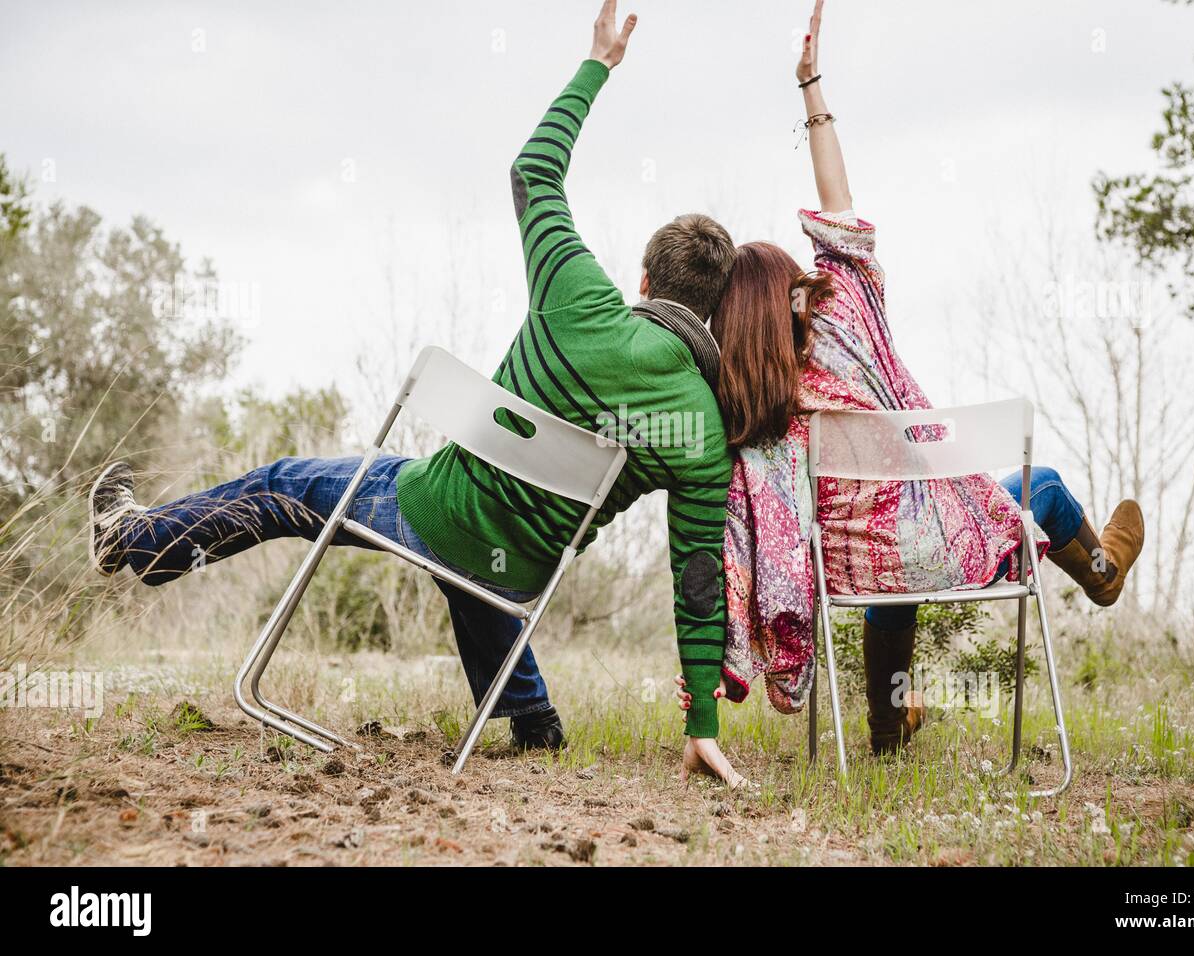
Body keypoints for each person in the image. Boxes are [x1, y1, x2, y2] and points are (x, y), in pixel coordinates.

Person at [88, 1, 746, 786]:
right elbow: (698, 581)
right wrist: (702, 728)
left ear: (642, 280)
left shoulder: (577, 291)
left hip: (437, 513)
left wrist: (597, 66)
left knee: (284, 484)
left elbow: (533, 170)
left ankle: (133, 541)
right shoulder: (703, 432)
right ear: (713, 310)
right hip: (521, 574)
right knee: (494, 544)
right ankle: (531, 717)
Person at [679, 0, 1145, 756]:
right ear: (796, 295)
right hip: (940, 547)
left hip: (844, 571)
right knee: (1047, 489)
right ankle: (1103, 570)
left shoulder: (748, 409)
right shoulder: (846, 316)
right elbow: (840, 207)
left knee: (888, 561)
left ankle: (887, 726)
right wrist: (812, 87)